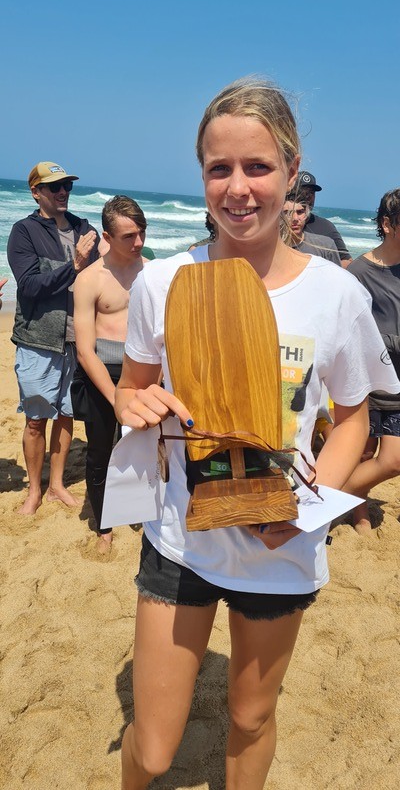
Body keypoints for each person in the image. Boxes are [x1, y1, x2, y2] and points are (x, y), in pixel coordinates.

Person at [114, 78, 399, 790]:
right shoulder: (164, 282)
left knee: (250, 716)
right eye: (219, 169)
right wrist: (137, 404)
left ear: (292, 171)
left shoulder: (337, 294)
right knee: (151, 750)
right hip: (180, 537)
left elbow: (354, 417)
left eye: (258, 167)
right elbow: (131, 387)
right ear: (202, 176)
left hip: (282, 545)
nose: (238, 188)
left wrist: (311, 508)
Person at [7, 161, 99, 516]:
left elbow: (105, 270)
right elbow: (29, 286)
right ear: (36, 192)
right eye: (55, 187)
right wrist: (73, 266)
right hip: (38, 341)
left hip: (79, 341)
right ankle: (34, 489)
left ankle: (57, 484)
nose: (63, 193)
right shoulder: (24, 231)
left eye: (67, 187)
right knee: (35, 418)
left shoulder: (83, 227)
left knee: (66, 415)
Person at [72, 196, 148, 553]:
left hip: (143, 370)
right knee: (100, 452)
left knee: (144, 449)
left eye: (142, 233)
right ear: (107, 236)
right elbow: (85, 350)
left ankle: (143, 513)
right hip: (103, 369)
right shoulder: (90, 279)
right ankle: (103, 527)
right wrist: (115, 396)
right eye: (128, 236)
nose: (138, 243)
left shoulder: (150, 272)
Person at [345, 188, 400, 532]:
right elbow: (349, 331)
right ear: (388, 224)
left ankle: (334, 494)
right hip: (367, 382)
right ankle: (358, 512)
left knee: (393, 460)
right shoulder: (359, 273)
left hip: (399, 386)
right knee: (362, 454)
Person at [291, 170, 352, 267]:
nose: (308, 197)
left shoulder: (326, 227)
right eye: (303, 192)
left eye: (312, 193)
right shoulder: (276, 225)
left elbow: (346, 260)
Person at [282, 197, 341, 264]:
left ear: (306, 214)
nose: (295, 218)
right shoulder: (270, 248)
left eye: (300, 212)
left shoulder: (326, 246)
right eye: (287, 213)